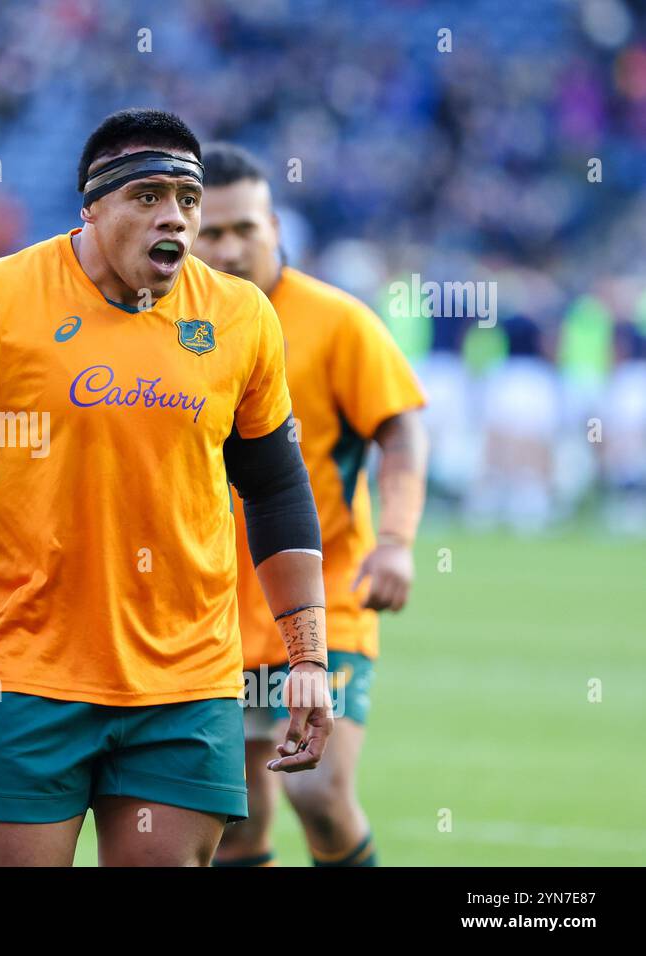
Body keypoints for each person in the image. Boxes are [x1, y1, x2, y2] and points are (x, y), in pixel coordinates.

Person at [0, 109, 334, 867]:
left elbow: (277, 493)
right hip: (24, 678)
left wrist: (308, 658)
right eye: (147, 196)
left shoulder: (241, 317)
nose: (173, 216)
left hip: (186, 686)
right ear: (92, 205)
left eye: (187, 197)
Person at [191, 143, 428, 867]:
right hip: (215, 614)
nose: (230, 247)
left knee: (318, 793)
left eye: (246, 229)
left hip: (326, 600)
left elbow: (401, 429)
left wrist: (395, 539)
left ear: (276, 228)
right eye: (214, 232)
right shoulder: (173, 328)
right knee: (234, 818)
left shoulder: (336, 322)